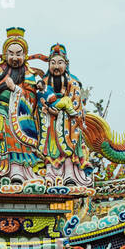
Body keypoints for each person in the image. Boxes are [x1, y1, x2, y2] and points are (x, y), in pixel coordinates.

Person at [0, 28, 42, 183]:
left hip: (20, 113)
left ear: (25, 55)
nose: (15, 58)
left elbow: (32, 97)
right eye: (11, 53)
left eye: (19, 54)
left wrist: (15, 89)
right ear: (5, 54)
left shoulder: (29, 74)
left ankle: (18, 169)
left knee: (14, 133)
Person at [36, 43, 89, 185]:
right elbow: (39, 99)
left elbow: (76, 103)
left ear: (66, 64)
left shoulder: (73, 82)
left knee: (71, 127)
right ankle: (50, 171)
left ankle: (69, 171)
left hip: (67, 120)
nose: (56, 67)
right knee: (50, 143)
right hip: (50, 119)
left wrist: (61, 112)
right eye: (52, 63)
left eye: (60, 63)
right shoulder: (45, 82)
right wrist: (47, 108)